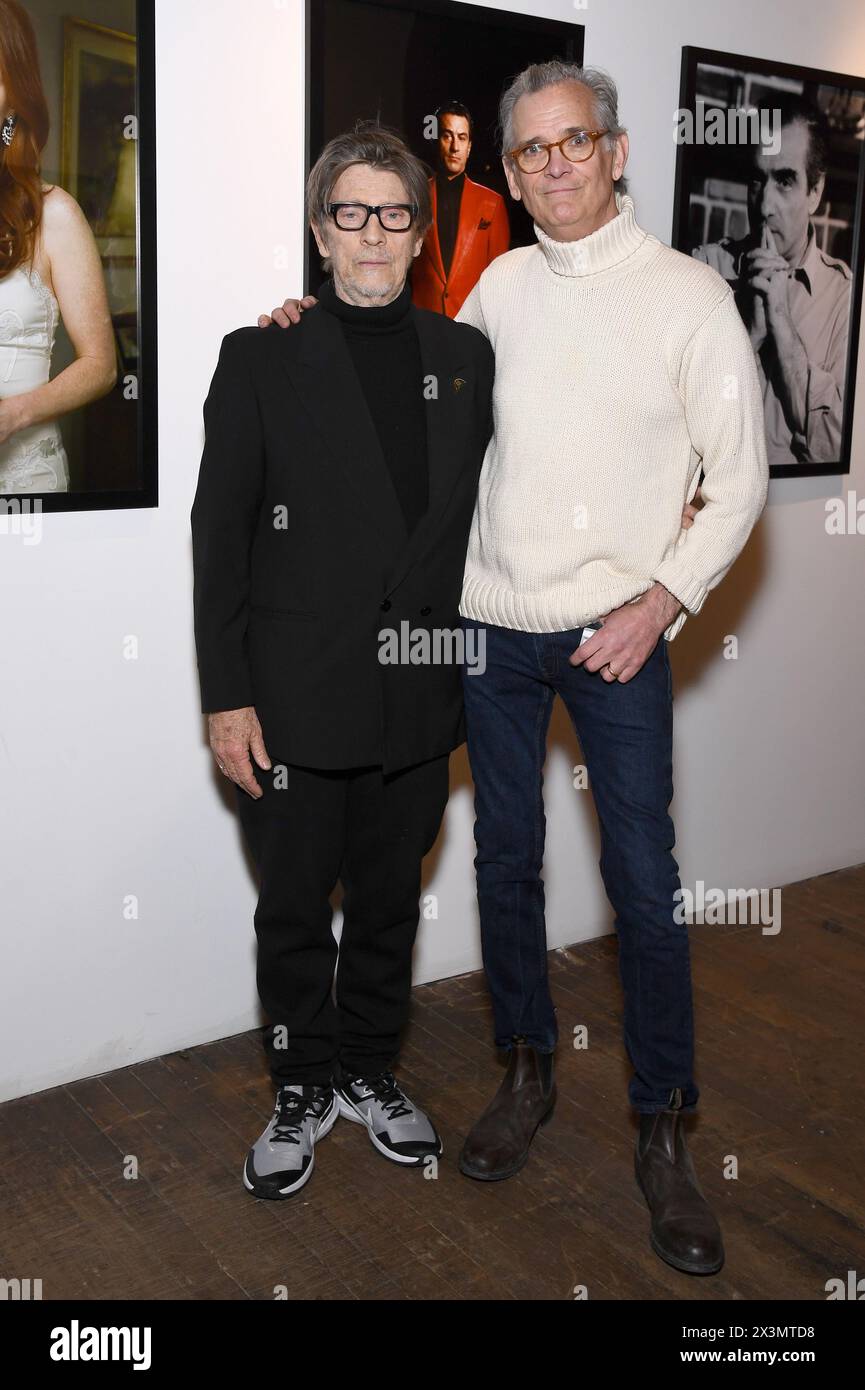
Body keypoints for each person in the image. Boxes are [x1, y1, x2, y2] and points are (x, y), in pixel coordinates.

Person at [261, 63, 768, 1277]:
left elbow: (737, 477)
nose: (552, 166)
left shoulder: (690, 298)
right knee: (503, 863)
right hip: (487, 630)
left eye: (572, 142)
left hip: (613, 634)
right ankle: (526, 1074)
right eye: (529, 150)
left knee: (643, 885)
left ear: (617, 149)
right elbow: (414, 374)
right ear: (511, 167)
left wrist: (663, 599)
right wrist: (305, 326)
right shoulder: (496, 285)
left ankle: (664, 1132)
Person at [191, 123, 495, 1200]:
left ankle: (369, 1068)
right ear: (321, 232)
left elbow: (507, 503)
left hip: (420, 683)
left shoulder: (466, 359)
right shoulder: (261, 353)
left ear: (421, 233)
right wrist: (224, 698)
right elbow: (218, 537)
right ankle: (300, 1083)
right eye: (350, 213)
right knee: (289, 909)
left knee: (384, 899)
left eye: (396, 213)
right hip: (293, 696)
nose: (373, 233)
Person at [693, 92, 851, 470]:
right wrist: (748, 336)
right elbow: (677, 426)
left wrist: (782, 322)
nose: (763, 207)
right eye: (756, 180)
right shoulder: (704, 269)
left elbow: (838, 451)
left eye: (783, 181)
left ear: (815, 192)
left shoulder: (845, 298)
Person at [0, 0, 116, 493]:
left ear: (14, 95)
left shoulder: (54, 214)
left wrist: (15, 413)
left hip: (24, 477)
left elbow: (102, 365)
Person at [411, 101, 509, 317]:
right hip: (423, 324)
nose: (455, 146)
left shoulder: (492, 203)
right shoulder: (414, 197)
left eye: (462, 137)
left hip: (473, 325)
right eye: (447, 136)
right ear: (437, 140)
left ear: (469, 146)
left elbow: (501, 279)